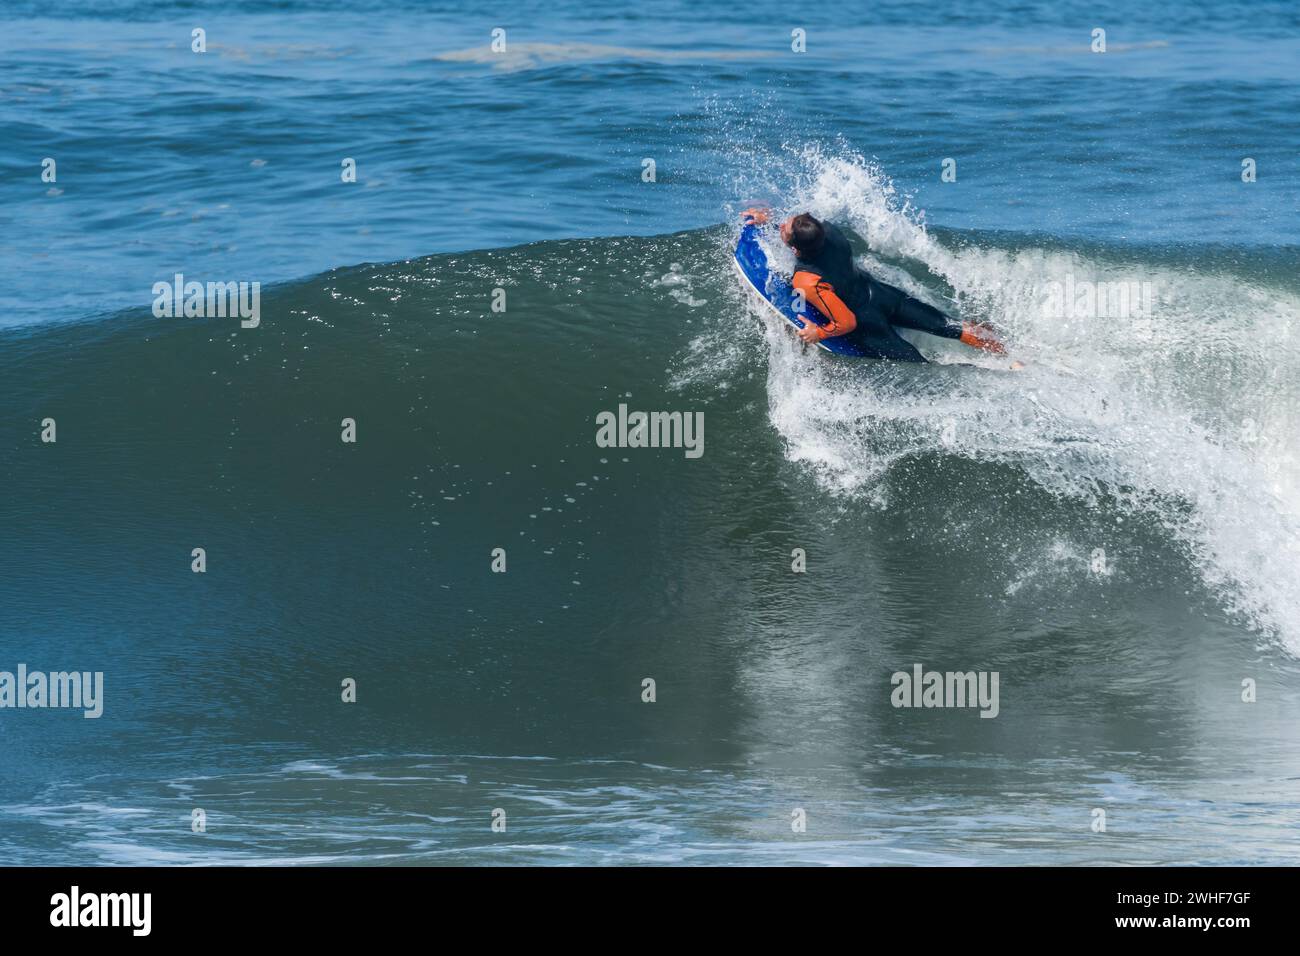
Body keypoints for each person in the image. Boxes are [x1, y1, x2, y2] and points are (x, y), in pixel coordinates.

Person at [743, 208, 1009, 362]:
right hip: (881, 294)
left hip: (868, 323)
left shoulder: (806, 280)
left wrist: (818, 333)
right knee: (949, 326)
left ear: (794, 249)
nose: (780, 224)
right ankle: (1007, 353)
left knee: (919, 365)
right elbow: (804, 233)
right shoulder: (829, 230)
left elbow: (846, 322)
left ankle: (984, 376)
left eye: (783, 228)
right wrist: (775, 220)